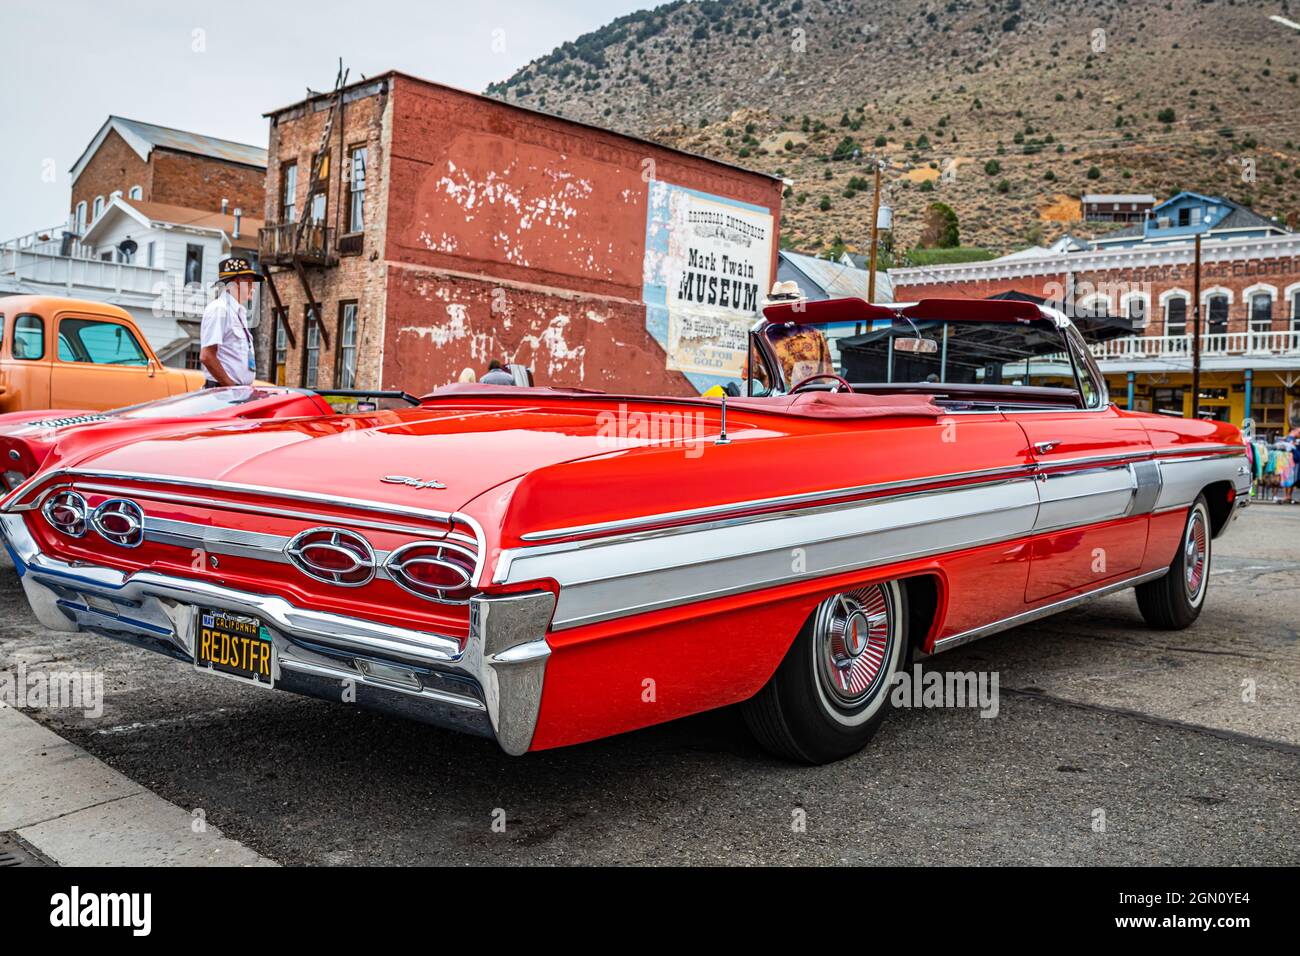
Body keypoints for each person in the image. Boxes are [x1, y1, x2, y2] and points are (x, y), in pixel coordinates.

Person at [200, 257, 262, 388]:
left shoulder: (239, 312)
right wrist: (231, 387)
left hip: (234, 391)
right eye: (250, 283)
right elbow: (207, 356)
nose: (254, 288)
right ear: (237, 283)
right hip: (223, 392)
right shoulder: (219, 309)